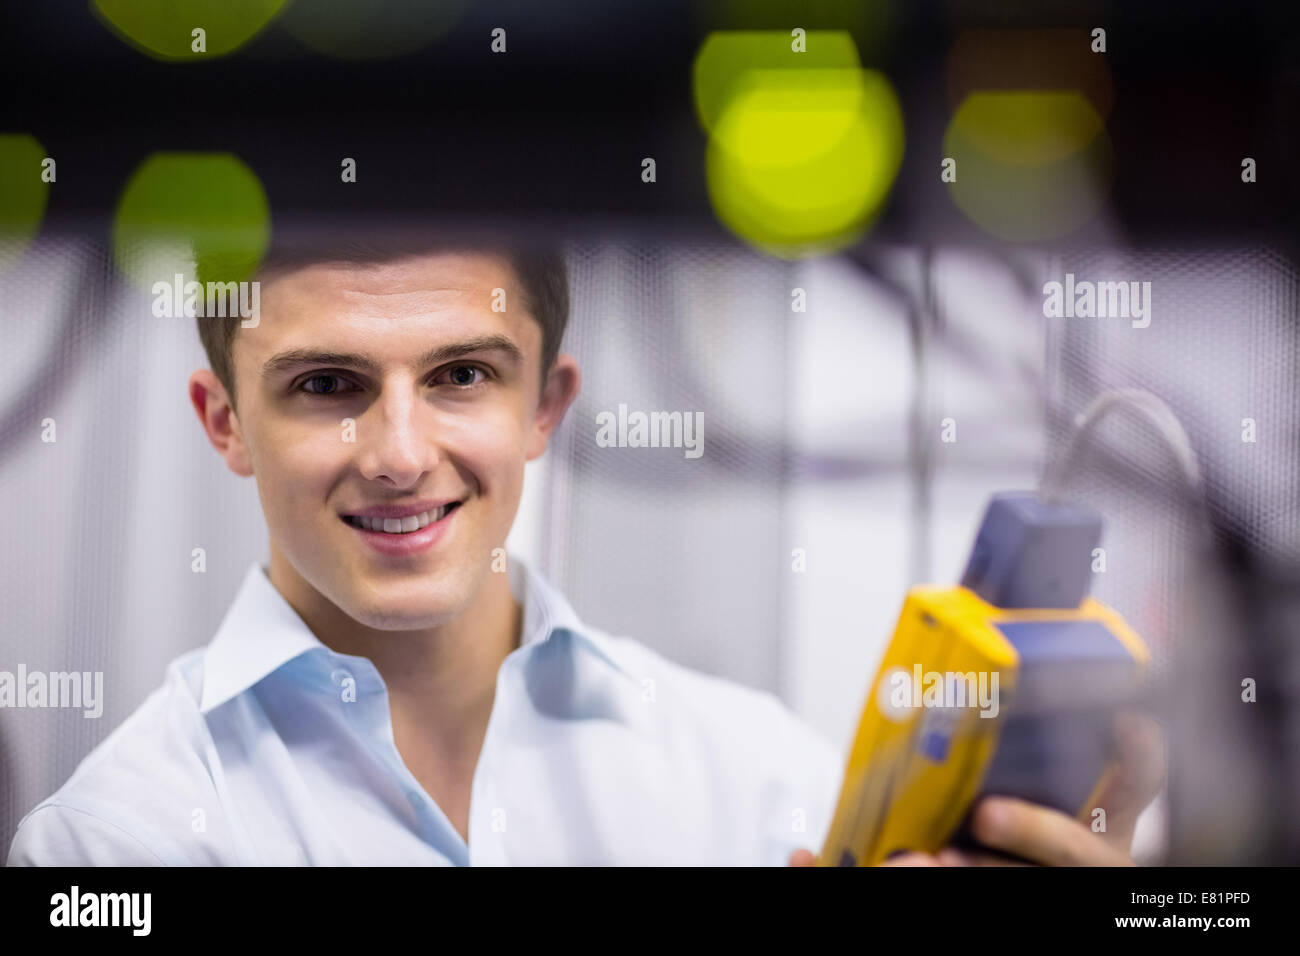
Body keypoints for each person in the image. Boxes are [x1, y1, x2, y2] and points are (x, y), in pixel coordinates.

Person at [7, 237, 1162, 865]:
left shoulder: (765, 787)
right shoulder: (110, 845)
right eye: (327, 385)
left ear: (544, 406)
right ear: (225, 424)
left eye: (462, 374)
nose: (401, 454)